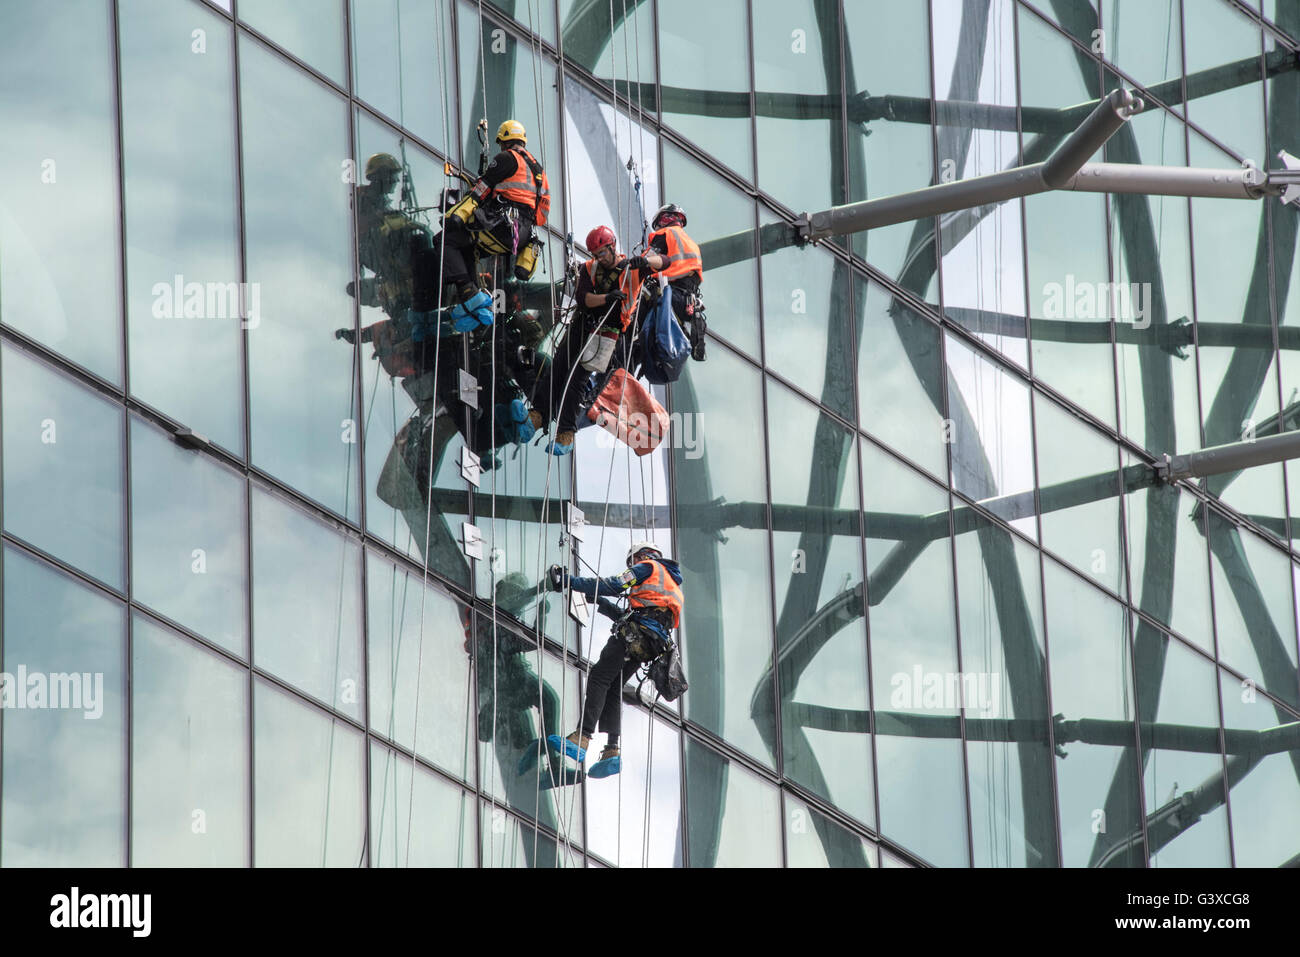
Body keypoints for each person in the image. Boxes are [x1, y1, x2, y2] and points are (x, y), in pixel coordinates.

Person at [545, 541, 684, 778]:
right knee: (614, 688)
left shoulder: (647, 567)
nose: (632, 566)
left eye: (632, 562)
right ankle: (612, 751)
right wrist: (600, 602)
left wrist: (570, 581)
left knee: (599, 678)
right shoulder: (671, 583)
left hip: (634, 635)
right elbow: (639, 614)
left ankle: (582, 738)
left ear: (641, 556)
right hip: (650, 645)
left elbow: (614, 584)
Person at [410, 119, 551, 332]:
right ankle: (475, 300)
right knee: (466, 245)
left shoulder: (506, 158)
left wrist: (456, 215)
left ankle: (469, 292)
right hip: (520, 236)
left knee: (444, 239)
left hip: (501, 226)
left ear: (504, 141)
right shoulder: (539, 171)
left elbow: (480, 190)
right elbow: (541, 215)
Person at [528, 225, 654, 455]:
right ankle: (537, 415)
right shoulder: (589, 268)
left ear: (612, 246)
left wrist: (644, 263)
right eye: (595, 254)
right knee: (558, 367)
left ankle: (566, 434)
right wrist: (607, 298)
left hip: (608, 333)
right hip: (583, 324)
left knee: (576, 380)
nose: (599, 258)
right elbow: (584, 299)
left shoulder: (631, 271)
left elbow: (664, 263)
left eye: (602, 253)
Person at [641, 202, 707, 361]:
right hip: (687, 303)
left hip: (669, 296)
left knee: (635, 325)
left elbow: (646, 260)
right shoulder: (691, 243)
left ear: (665, 219)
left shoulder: (665, 234)